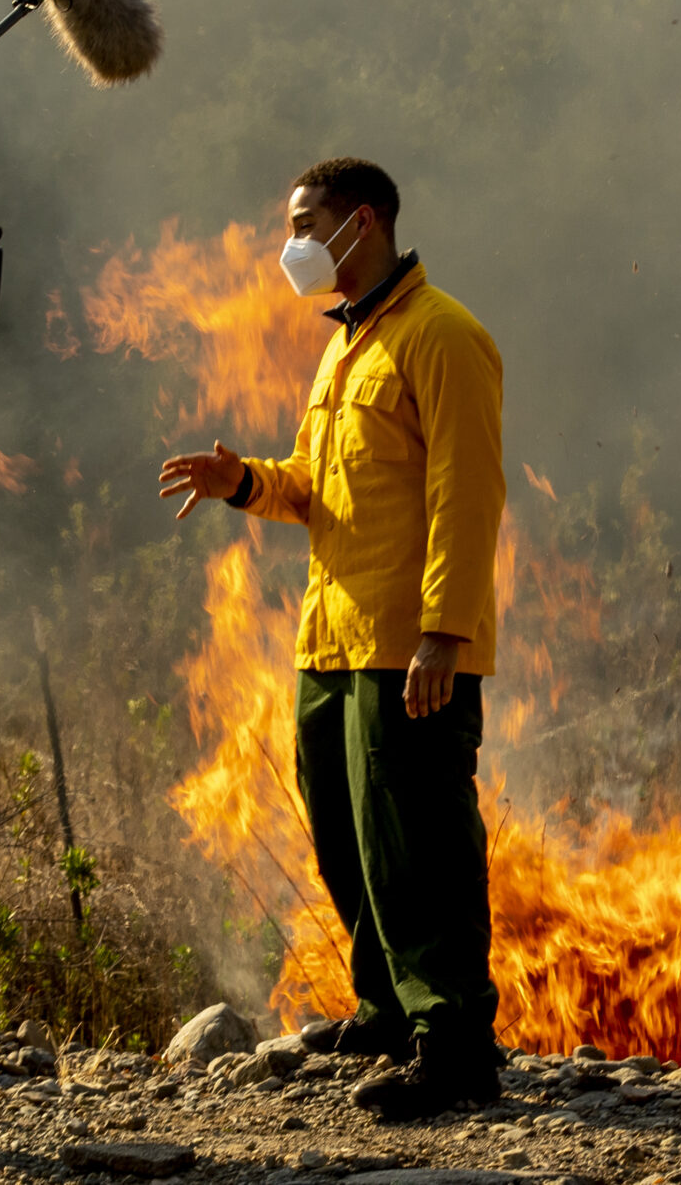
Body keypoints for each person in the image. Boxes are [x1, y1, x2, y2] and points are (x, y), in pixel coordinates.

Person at [158, 158, 507, 1120]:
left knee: (418, 845)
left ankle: (455, 1048)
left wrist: (445, 632)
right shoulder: (346, 344)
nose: (293, 241)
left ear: (364, 222)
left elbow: (466, 497)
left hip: (409, 644)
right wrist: (245, 484)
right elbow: (316, 488)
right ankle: (389, 1011)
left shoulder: (443, 337)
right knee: (348, 838)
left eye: (305, 220)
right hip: (333, 641)